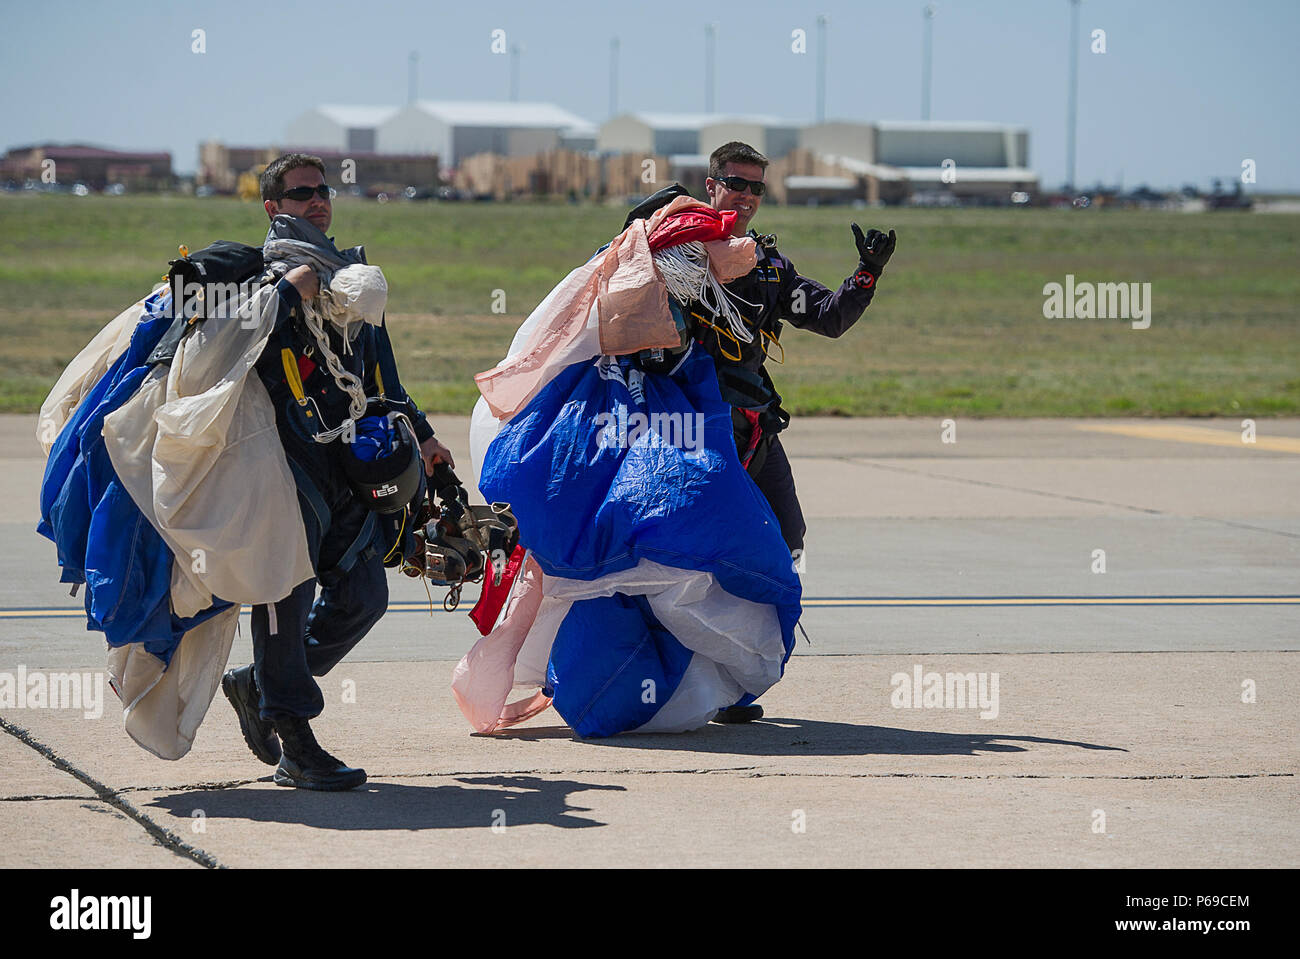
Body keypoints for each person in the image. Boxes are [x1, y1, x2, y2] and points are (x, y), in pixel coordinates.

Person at [220, 153, 454, 790]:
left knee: (364, 597)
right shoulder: (256, 276)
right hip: (282, 464)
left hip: (348, 461)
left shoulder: (353, 276)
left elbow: (381, 372)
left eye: (322, 191)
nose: (317, 201)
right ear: (273, 208)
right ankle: (294, 736)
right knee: (284, 601)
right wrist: (287, 293)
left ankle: (258, 685)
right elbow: (227, 346)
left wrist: (426, 435)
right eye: (301, 195)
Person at [700, 141, 896, 723]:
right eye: (736, 183)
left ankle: (735, 683)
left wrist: (866, 274)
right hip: (698, 434)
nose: (746, 196)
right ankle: (691, 680)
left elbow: (830, 317)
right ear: (711, 184)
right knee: (697, 558)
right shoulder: (674, 253)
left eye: (757, 188)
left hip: (756, 432)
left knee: (786, 538)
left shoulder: (767, 265)